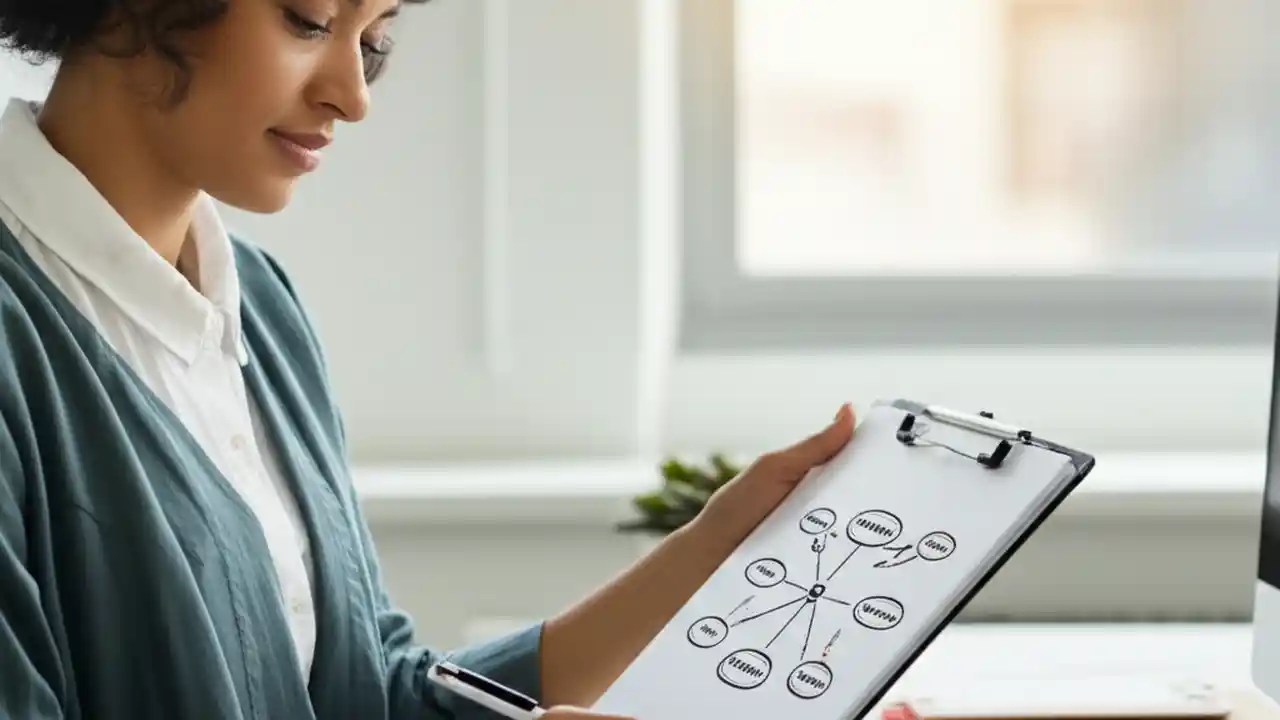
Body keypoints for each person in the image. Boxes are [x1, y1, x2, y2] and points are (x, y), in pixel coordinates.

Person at [0, 0, 858, 717]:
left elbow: (370, 695)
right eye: (309, 21)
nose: (352, 95)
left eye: (371, 39)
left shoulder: (260, 307)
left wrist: (715, 551)